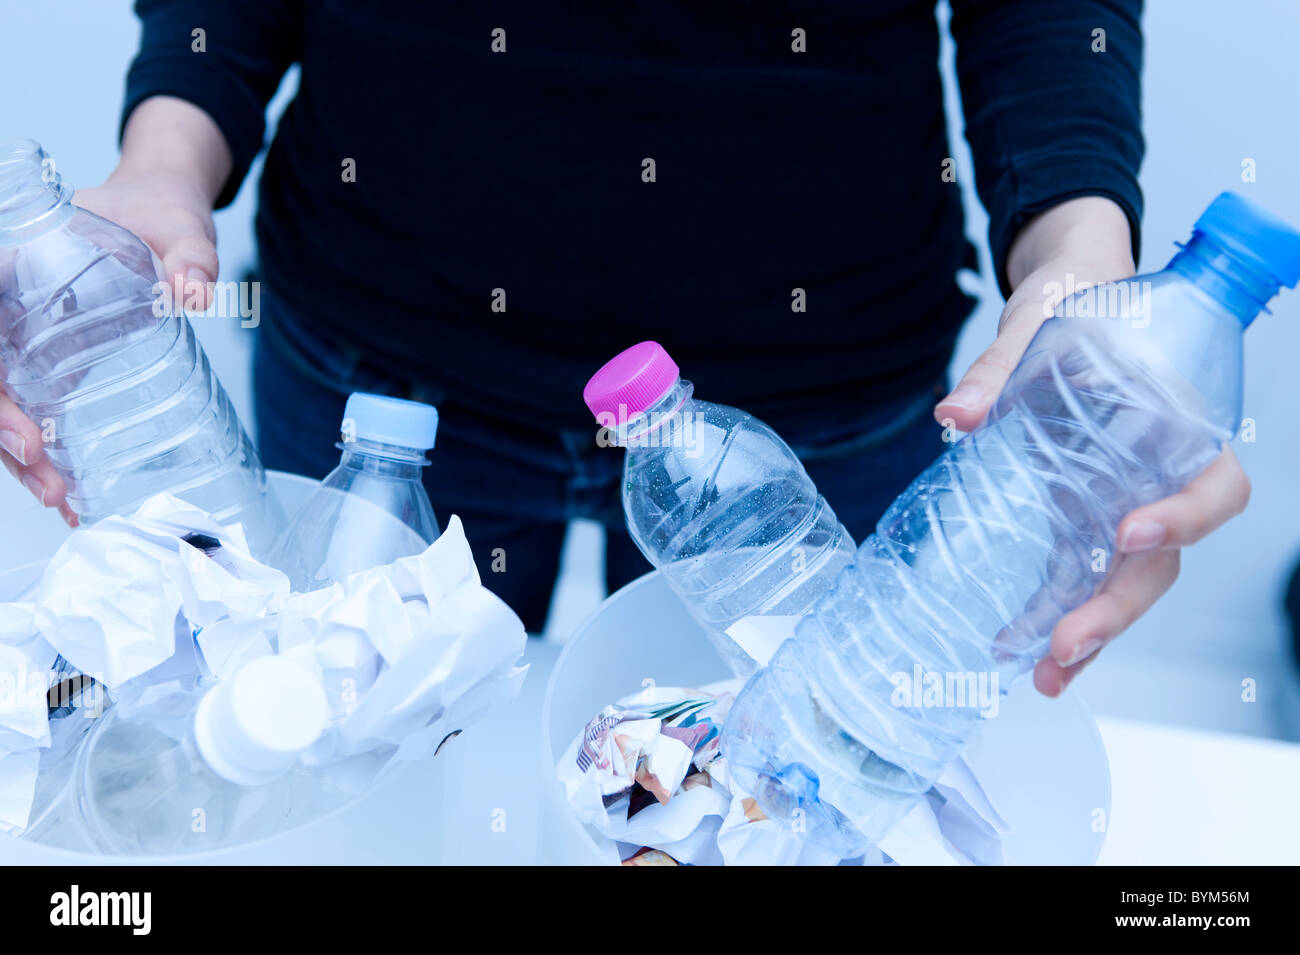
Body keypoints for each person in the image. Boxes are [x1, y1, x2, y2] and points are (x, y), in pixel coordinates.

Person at [0, 1, 1251, 696]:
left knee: (787, 790)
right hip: (385, 368)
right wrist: (164, 160)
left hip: (820, 385)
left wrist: (1075, 261)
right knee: (354, 762)